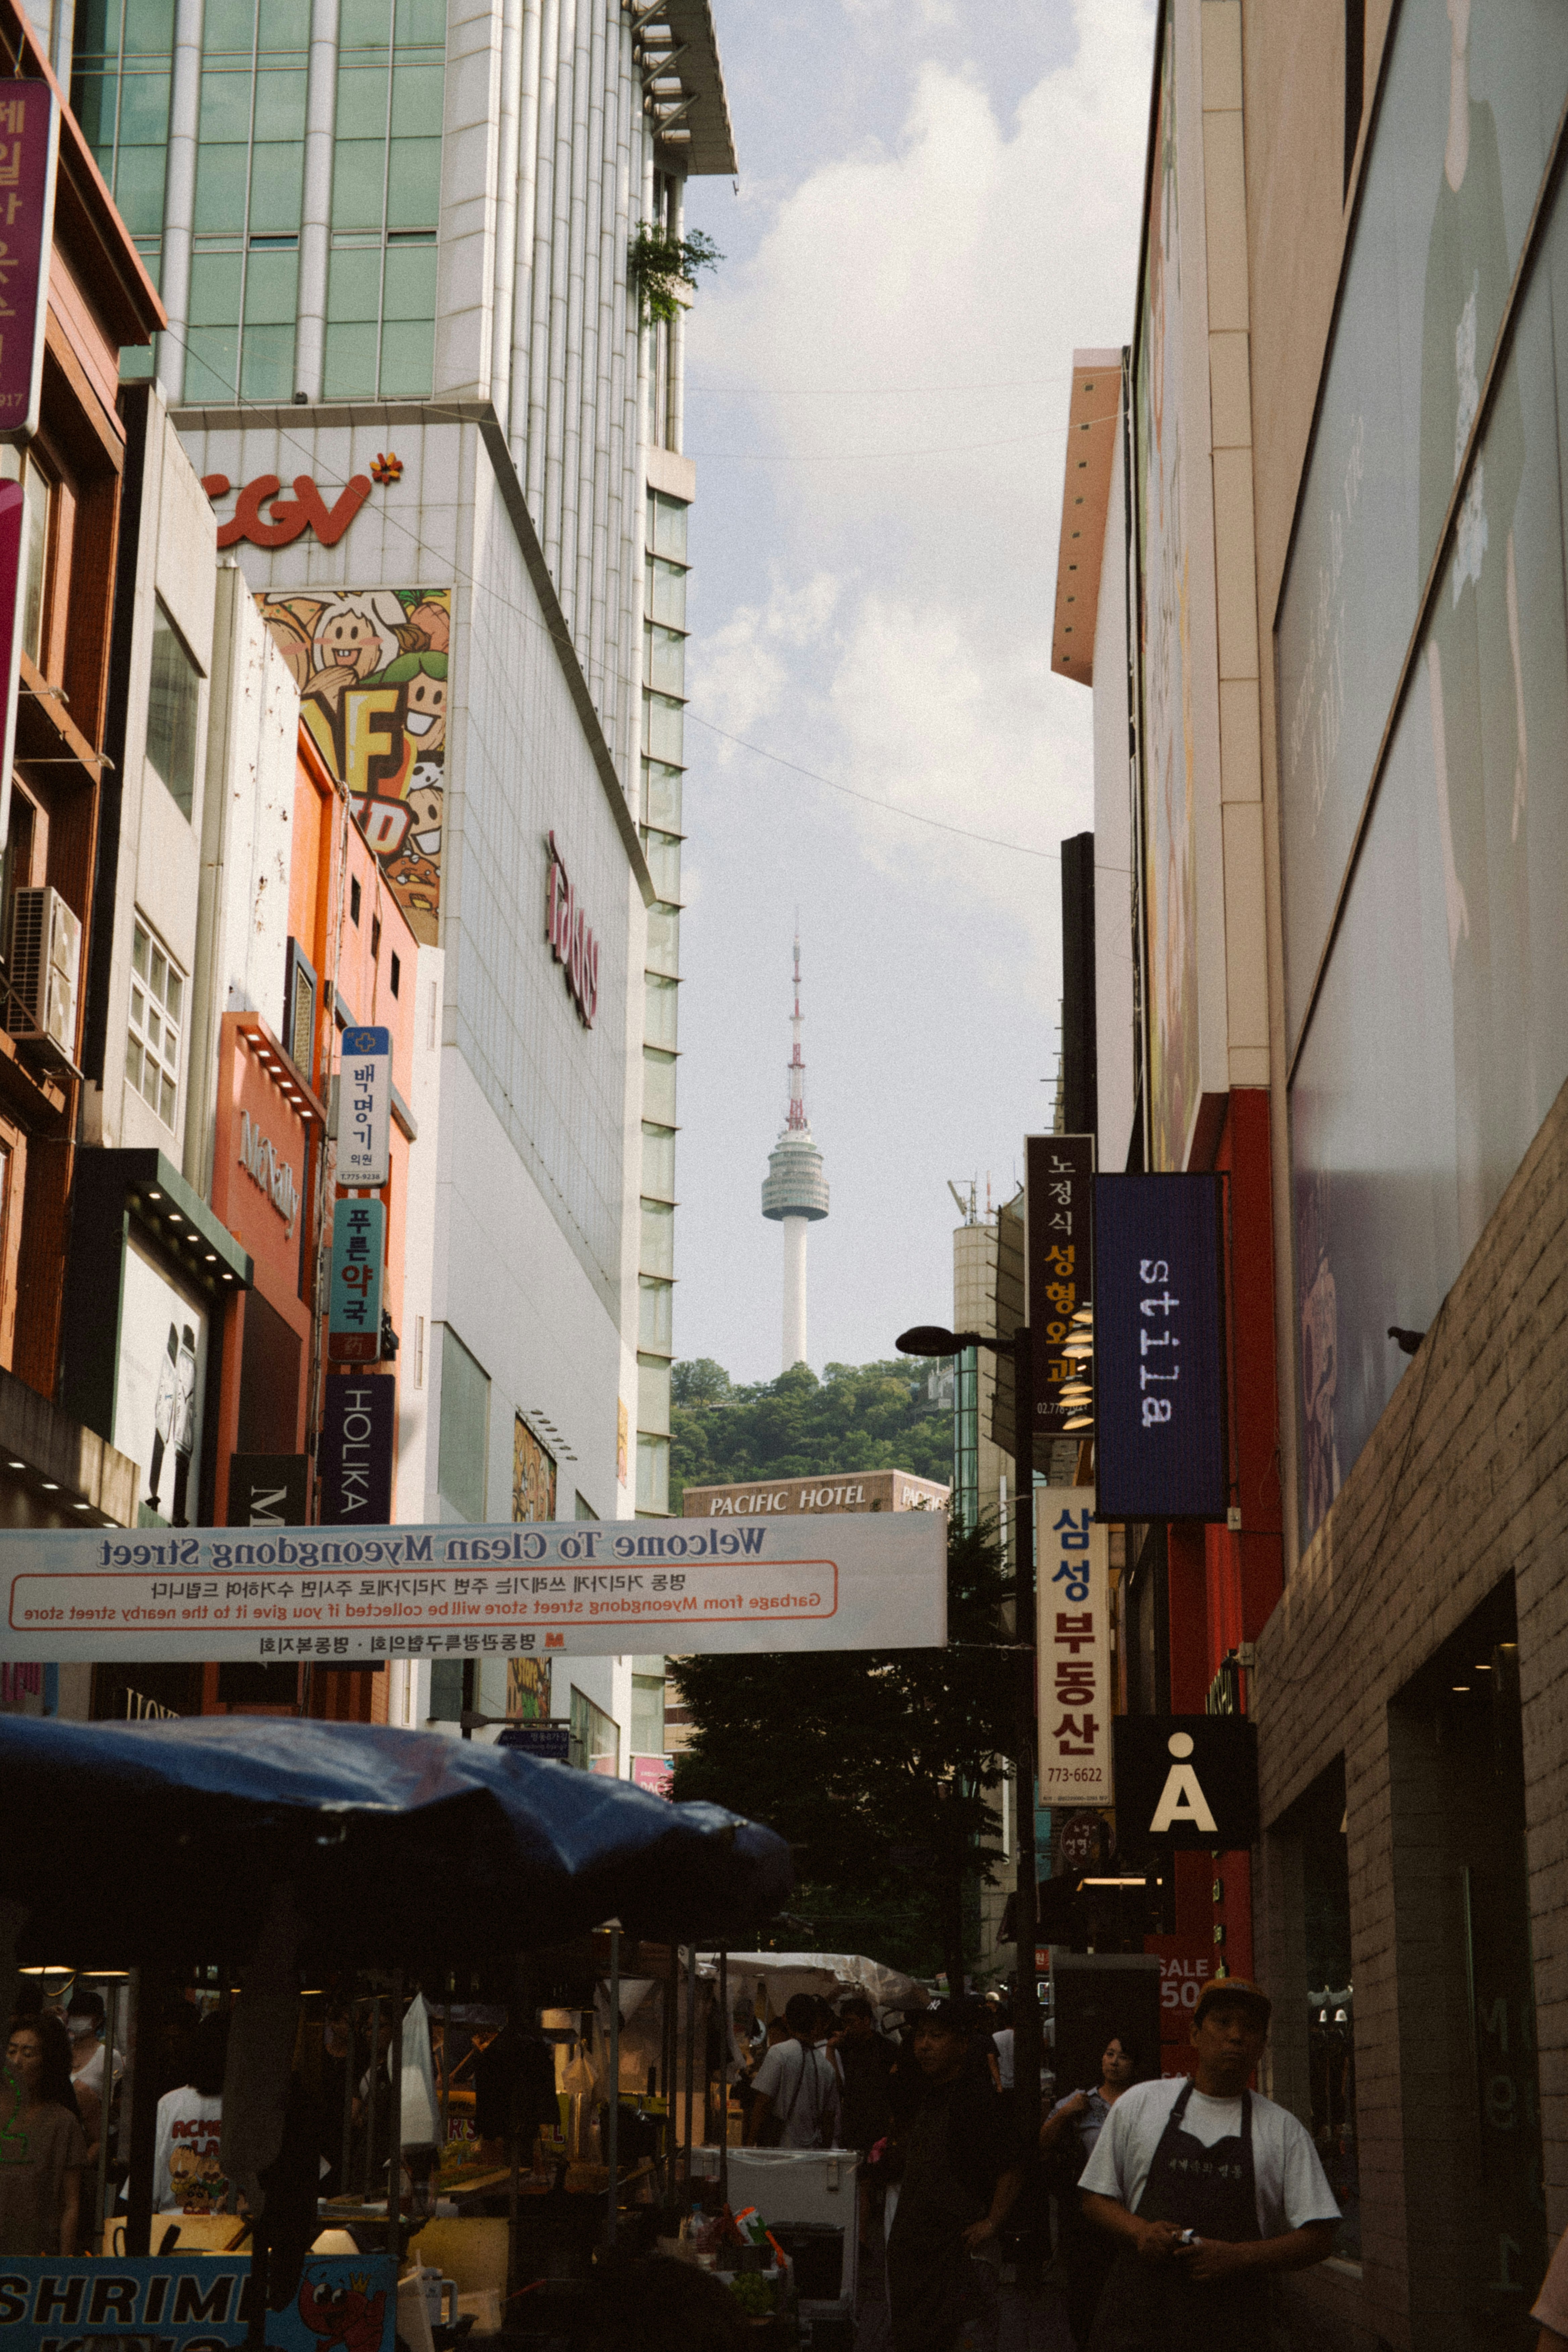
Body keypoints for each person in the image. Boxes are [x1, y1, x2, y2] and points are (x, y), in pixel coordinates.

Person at [1078, 1979, 1339, 2350]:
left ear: (1262, 2046)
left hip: (1235, 2329)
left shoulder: (1284, 2130)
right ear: (1195, 2034)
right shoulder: (1141, 2104)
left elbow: (1319, 2238)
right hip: (1136, 2325)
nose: (1236, 2036)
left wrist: (1238, 2257)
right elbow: (1094, 2198)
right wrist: (1140, 2232)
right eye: (1223, 2021)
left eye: (1250, 2028)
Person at [884, 1999, 1023, 2352]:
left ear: (962, 2044)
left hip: (958, 2264)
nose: (924, 2046)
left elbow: (1013, 2165)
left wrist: (992, 2222)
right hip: (917, 2262)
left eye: (936, 2036)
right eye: (920, 2036)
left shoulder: (977, 2099)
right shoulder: (926, 2093)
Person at [1040, 2034, 1141, 2348]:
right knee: (1086, 2293)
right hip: (1088, 2213)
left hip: (1133, 2211)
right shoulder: (1083, 2101)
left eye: (1123, 2057)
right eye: (1109, 2054)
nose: (1114, 2062)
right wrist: (1066, 2113)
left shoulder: (1143, 2102)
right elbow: (1043, 2142)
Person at [0, 2013, 89, 2255]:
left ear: (49, 2061)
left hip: (37, 2257)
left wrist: (64, 2264)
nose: (16, 2062)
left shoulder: (63, 2123)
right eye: (11, 2051)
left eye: (28, 2054)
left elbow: (71, 2205)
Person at [151, 2011, 230, 2213]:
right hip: (231, 2226)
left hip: (173, 2223)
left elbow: (148, 2190)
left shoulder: (170, 2104)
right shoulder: (252, 2108)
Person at [745, 1992, 840, 2149]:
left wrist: (750, 2143)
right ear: (815, 2024)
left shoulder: (779, 2053)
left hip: (781, 2150)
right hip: (813, 2151)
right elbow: (829, 2118)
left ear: (785, 2019)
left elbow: (763, 2102)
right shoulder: (827, 2067)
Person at [829, 1996, 896, 2156]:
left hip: (878, 2122)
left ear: (866, 2021)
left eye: (851, 2022)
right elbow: (835, 2082)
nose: (847, 2028)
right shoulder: (844, 2048)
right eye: (844, 2023)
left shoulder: (886, 2049)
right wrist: (831, 2049)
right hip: (851, 2122)